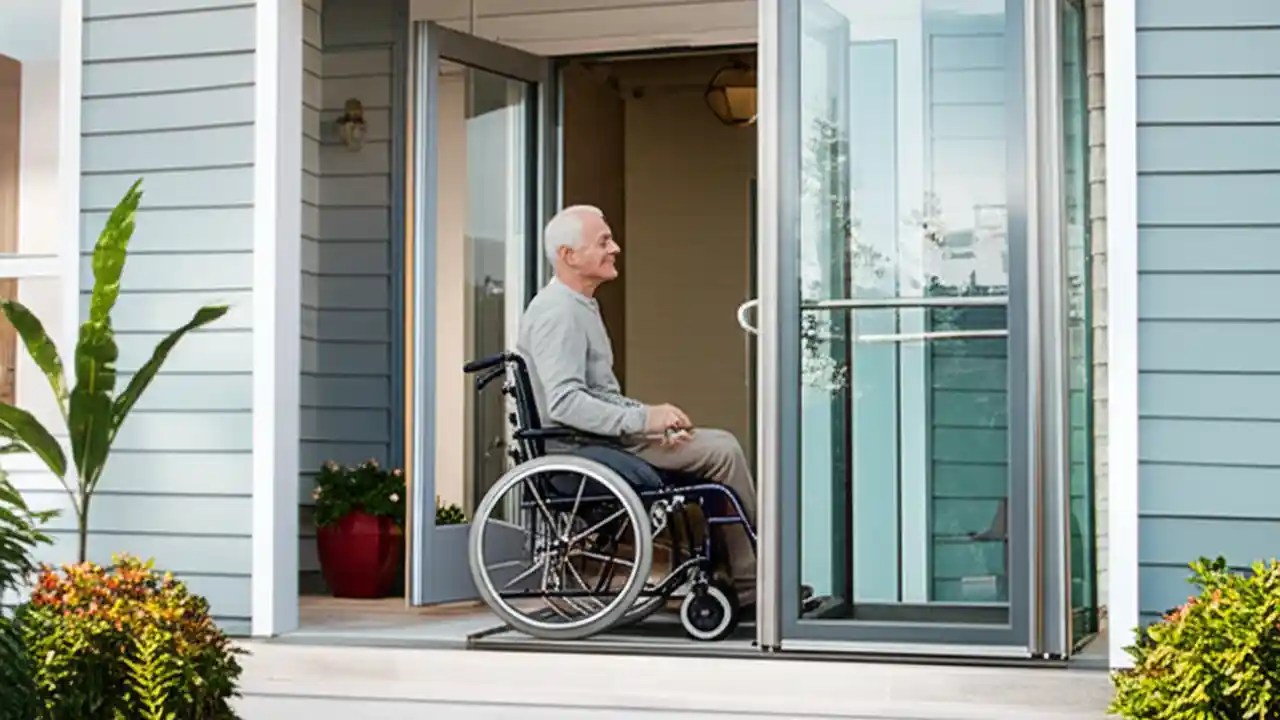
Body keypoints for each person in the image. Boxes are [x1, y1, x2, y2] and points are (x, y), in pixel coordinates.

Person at [516, 204, 757, 607]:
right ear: (568, 256)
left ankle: (730, 573)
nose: (616, 248)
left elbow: (598, 394)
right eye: (603, 242)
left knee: (715, 445)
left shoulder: (578, 306)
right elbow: (565, 402)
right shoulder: (558, 313)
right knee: (722, 451)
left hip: (598, 439)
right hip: (581, 447)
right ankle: (752, 584)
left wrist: (650, 421)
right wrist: (644, 418)